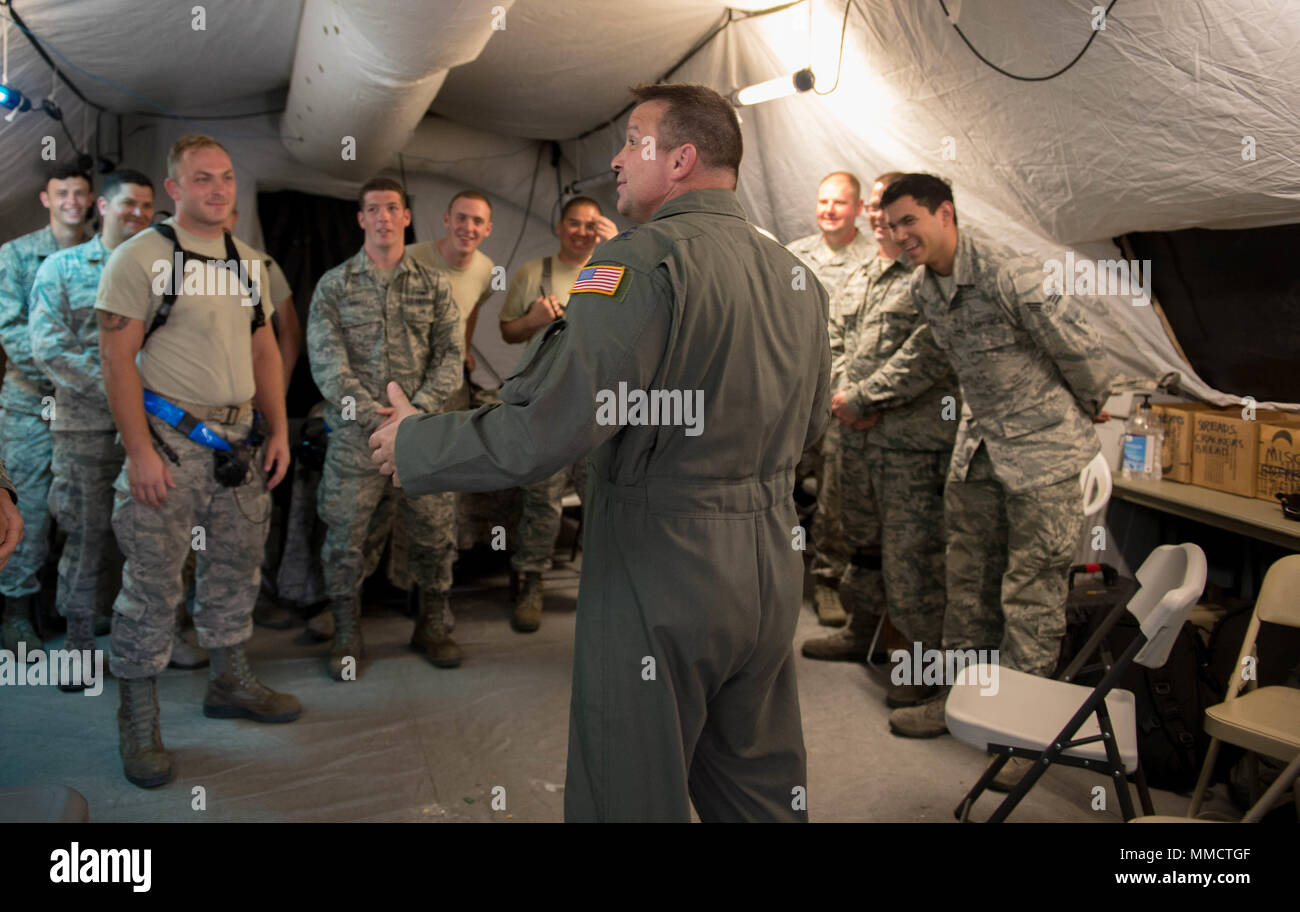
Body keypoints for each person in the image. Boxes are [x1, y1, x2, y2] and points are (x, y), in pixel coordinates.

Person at [371, 83, 829, 822]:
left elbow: (548, 427)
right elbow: (810, 425)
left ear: (679, 159)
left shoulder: (640, 266)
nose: (615, 161)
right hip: (773, 563)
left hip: (664, 563)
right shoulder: (796, 276)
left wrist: (417, 441)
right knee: (759, 788)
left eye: (633, 141)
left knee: (628, 790)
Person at [870, 174, 1112, 768]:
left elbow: (1082, 353)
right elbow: (929, 355)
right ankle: (962, 699)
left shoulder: (1010, 273)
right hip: (978, 450)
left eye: (910, 221)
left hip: (1043, 459)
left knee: (1031, 594)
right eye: (892, 224)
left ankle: (1020, 738)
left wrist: (1077, 415)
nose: (901, 235)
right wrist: (863, 396)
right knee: (969, 585)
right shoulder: (927, 287)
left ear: (944, 214)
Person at [97, 134, 298, 789]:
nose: (219, 189)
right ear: (176, 189)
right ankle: (139, 717)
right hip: (169, 444)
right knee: (153, 587)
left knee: (236, 573)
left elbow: (264, 347)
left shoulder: (248, 262)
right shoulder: (142, 258)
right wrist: (139, 452)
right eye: (203, 179)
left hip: (238, 446)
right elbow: (115, 359)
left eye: (228, 178)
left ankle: (229, 681)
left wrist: (279, 430)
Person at [809, 172, 961, 714]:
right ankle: (862, 629)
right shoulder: (862, 275)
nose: (878, 217)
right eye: (873, 208)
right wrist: (843, 395)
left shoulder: (929, 275)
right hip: (855, 439)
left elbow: (930, 353)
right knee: (863, 545)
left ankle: (920, 673)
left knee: (913, 559)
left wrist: (866, 399)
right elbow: (831, 341)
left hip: (910, 447)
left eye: (888, 209)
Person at [307, 177, 463, 678]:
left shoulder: (434, 284)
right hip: (358, 440)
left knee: (435, 535)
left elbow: (451, 357)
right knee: (345, 538)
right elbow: (327, 363)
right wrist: (373, 414)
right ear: (361, 219)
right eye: (372, 209)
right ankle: (347, 631)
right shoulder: (334, 285)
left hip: (423, 437)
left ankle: (433, 623)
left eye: (391, 208)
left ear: (405, 217)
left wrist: (413, 413)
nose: (382, 217)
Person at [28, 169, 155, 683]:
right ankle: (78, 646)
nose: (138, 215)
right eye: (128, 204)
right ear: (103, 207)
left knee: (148, 540)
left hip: (154, 431)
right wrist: (120, 385)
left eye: (147, 206)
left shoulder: (162, 272)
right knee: (85, 537)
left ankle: (141, 645)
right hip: (87, 431)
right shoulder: (62, 268)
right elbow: (49, 347)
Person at [497, 195, 617, 631]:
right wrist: (533, 320)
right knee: (542, 500)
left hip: (596, 408)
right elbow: (508, 332)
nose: (582, 231)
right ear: (559, 225)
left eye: (591, 224)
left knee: (600, 498)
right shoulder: (535, 273)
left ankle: (601, 585)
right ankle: (530, 579)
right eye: (574, 223)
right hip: (546, 406)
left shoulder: (612, 270)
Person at [0, 165, 92, 653]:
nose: (72, 201)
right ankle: (15, 615)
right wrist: (80, 374)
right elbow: (11, 329)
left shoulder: (102, 256)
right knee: (29, 511)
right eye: (63, 193)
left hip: (86, 413)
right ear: (45, 198)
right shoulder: (14, 256)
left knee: (78, 509)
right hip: (31, 408)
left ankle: (69, 607)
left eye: (80, 192)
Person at [786, 172, 876, 627]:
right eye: (823, 201)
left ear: (858, 208)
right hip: (794, 395)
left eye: (840, 202)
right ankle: (777, 575)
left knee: (835, 498)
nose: (829, 209)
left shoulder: (876, 258)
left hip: (842, 394)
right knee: (779, 486)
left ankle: (826, 580)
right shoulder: (795, 255)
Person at [223, 206, 302, 631]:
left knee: (251, 518)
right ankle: (182, 619)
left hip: (249, 417)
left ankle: (254, 599)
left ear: (237, 215)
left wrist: (277, 394)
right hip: (182, 420)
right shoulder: (164, 260)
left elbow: (284, 333)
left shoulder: (259, 265)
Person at [408, 191, 496, 408]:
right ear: (447, 220)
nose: (468, 227)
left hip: (450, 378)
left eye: (477, 221)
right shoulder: (408, 258)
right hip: (408, 375)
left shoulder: (487, 270)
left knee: (447, 436)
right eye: (461, 218)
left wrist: (464, 348)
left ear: (488, 229)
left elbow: (472, 308)